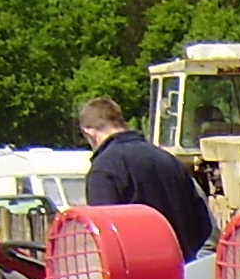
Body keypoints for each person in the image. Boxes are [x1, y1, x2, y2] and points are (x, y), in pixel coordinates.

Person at [77, 97, 212, 259]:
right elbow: (204, 224)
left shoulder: (104, 170)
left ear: (89, 132)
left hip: (139, 276)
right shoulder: (169, 160)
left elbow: (104, 238)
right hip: (182, 274)